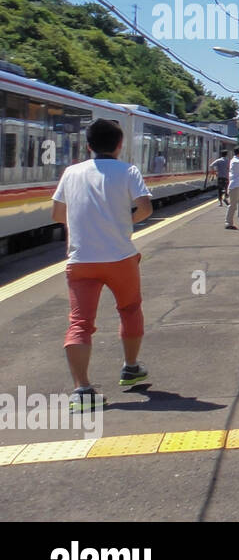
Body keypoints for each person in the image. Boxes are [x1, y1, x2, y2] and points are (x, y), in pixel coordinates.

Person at [51, 118, 153, 413]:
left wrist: (88, 224)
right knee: (130, 309)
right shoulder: (128, 170)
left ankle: (82, 390)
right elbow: (145, 207)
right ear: (120, 145)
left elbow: (58, 213)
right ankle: (131, 367)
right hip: (120, 257)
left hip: (81, 260)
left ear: (89, 146)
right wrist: (121, 223)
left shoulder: (71, 173)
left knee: (80, 323)